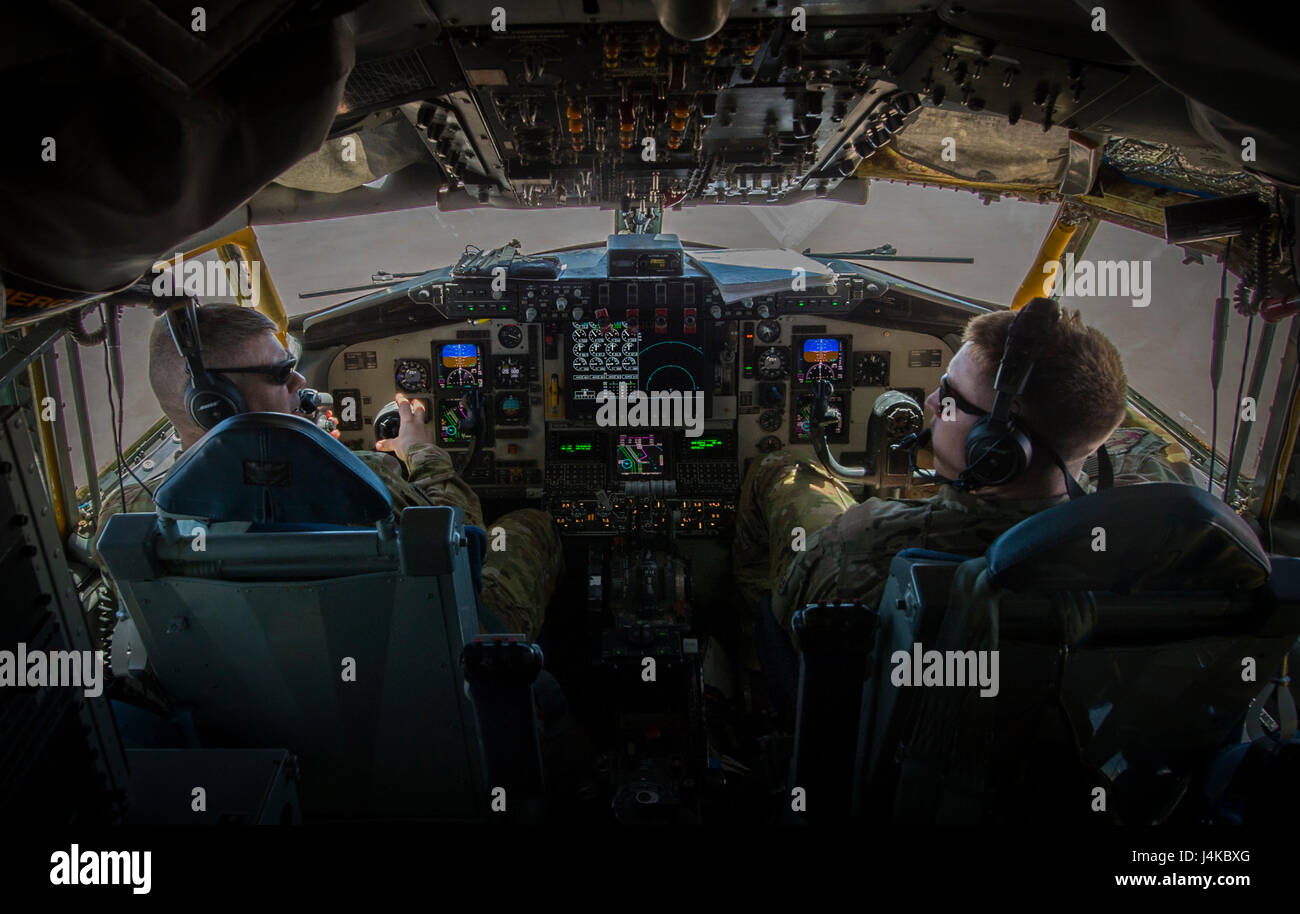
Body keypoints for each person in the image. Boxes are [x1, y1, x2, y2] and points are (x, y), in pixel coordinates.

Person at [91, 303, 561, 641]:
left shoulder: (128, 520)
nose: (299, 382)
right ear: (215, 404)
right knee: (529, 525)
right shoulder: (370, 481)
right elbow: (461, 534)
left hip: (241, 707)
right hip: (421, 653)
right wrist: (420, 450)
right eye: (280, 375)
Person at [733, 304, 1177, 648]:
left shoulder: (866, 544)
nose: (929, 401)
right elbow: (1117, 423)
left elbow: (792, 613)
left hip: (849, 711)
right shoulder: (1166, 528)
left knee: (782, 470)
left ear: (996, 447)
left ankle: (744, 641)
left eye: (949, 397)